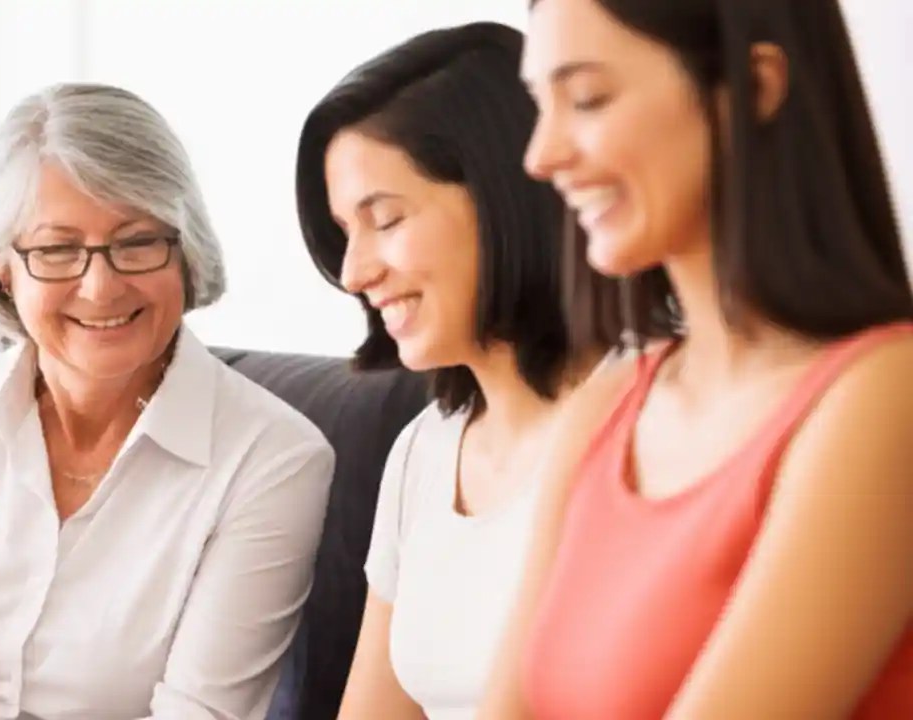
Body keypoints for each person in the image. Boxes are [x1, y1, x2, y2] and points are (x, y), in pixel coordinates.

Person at [0, 83, 335, 720]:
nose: (100, 287)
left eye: (137, 241)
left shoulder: (273, 457)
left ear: (186, 251)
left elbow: (200, 713)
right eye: (57, 249)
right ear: (4, 270)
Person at [478, 1, 913, 717]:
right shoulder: (608, 405)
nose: (540, 155)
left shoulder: (880, 399)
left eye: (586, 98)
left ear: (755, 89)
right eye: (539, 105)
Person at [295, 22, 600, 720]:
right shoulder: (424, 450)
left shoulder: (646, 419)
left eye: (387, 220)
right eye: (345, 233)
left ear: (505, 197)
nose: (353, 272)